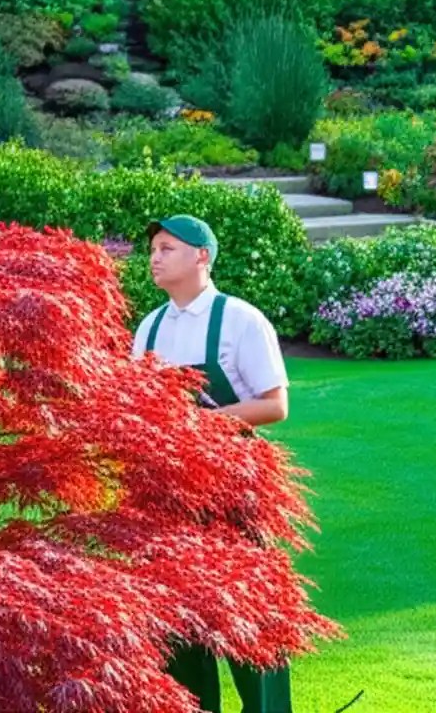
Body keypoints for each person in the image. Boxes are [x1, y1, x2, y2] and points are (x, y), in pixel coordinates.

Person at [130, 214, 293, 713]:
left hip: (233, 486)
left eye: (167, 248)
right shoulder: (150, 327)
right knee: (177, 612)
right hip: (166, 490)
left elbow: (275, 404)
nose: (155, 258)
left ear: (202, 256)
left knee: (249, 610)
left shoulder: (240, 319)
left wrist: (205, 425)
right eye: (153, 249)